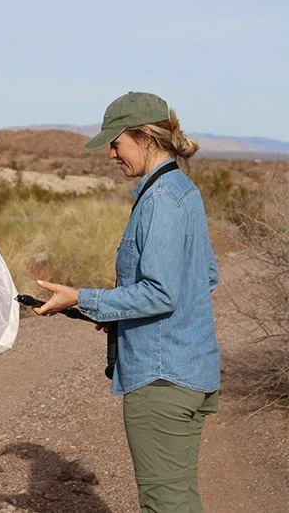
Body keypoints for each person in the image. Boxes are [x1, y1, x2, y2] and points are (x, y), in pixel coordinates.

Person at [34, 91, 221, 513]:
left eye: (116, 143)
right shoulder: (183, 190)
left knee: (163, 505)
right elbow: (205, 276)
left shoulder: (160, 200)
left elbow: (160, 292)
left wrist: (83, 297)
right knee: (180, 500)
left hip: (161, 380)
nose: (111, 154)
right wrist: (118, 314)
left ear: (145, 137)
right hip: (190, 372)